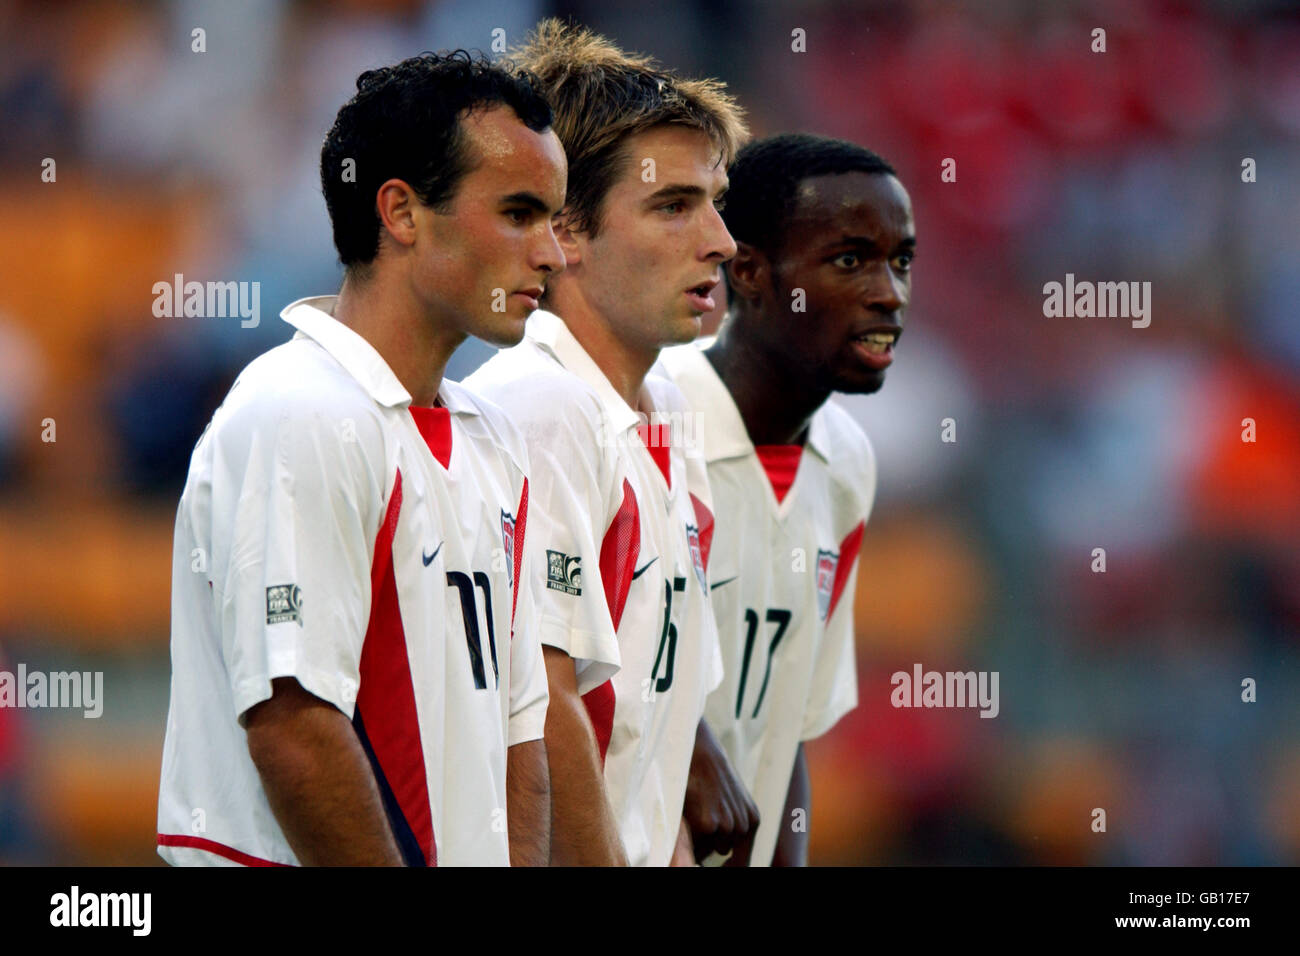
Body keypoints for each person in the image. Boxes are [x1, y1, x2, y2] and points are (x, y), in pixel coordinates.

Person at [156, 51, 567, 866]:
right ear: (402, 212)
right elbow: (295, 727)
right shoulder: (297, 411)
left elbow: (523, 736)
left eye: (555, 218)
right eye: (520, 213)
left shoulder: (494, 437)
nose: (552, 252)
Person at [465, 20, 757, 866]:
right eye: (673, 205)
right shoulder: (538, 405)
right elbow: (546, 714)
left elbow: (639, 723)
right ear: (566, 232)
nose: (722, 243)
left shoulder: (663, 410)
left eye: (717, 202)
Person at [656, 133, 916, 865]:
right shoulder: (647, 417)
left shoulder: (847, 463)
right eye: (849, 260)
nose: (888, 294)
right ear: (750, 273)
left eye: (901, 262)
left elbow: (785, 732)